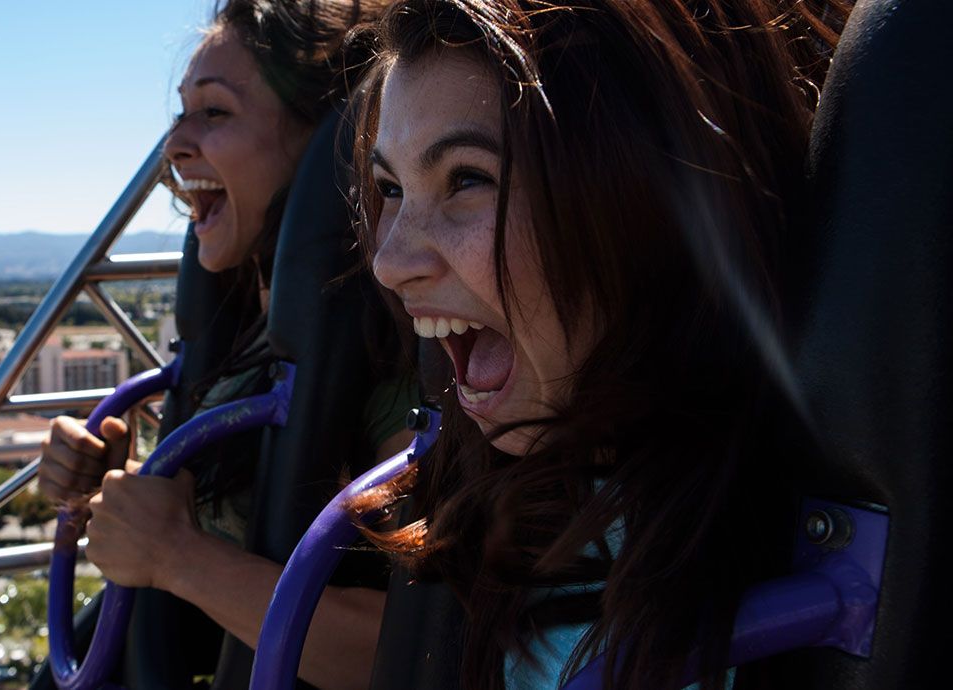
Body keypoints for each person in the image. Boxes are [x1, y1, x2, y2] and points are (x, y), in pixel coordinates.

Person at [349, 0, 848, 688]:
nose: (389, 258)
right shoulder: (518, 510)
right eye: (390, 188)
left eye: (466, 178)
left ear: (650, 197)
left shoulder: (784, 584)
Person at [37, 1, 415, 687]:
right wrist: (105, 494)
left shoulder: (389, 351)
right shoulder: (248, 334)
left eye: (213, 113)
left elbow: (414, 646)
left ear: (327, 142)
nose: (174, 146)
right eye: (179, 114)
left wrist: (179, 556)